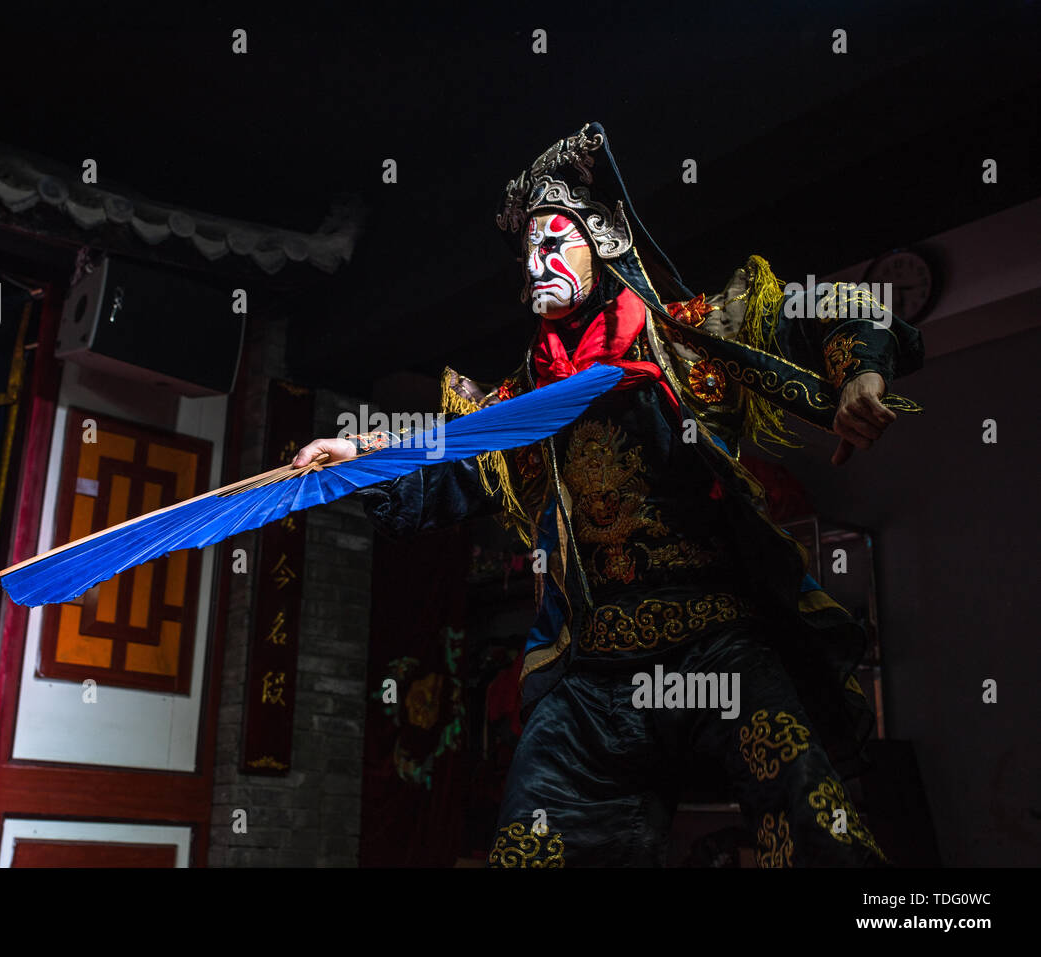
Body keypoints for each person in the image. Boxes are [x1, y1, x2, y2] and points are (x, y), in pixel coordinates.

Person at [293, 122, 924, 867]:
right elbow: (454, 459)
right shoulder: (529, 397)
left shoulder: (686, 339)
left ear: (605, 244)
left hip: (715, 646)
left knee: (814, 820)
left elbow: (823, 306)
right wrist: (358, 454)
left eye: (556, 241)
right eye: (528, 253)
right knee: (528, 847)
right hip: (592, 674)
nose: (537, 264)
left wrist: (860, 375)